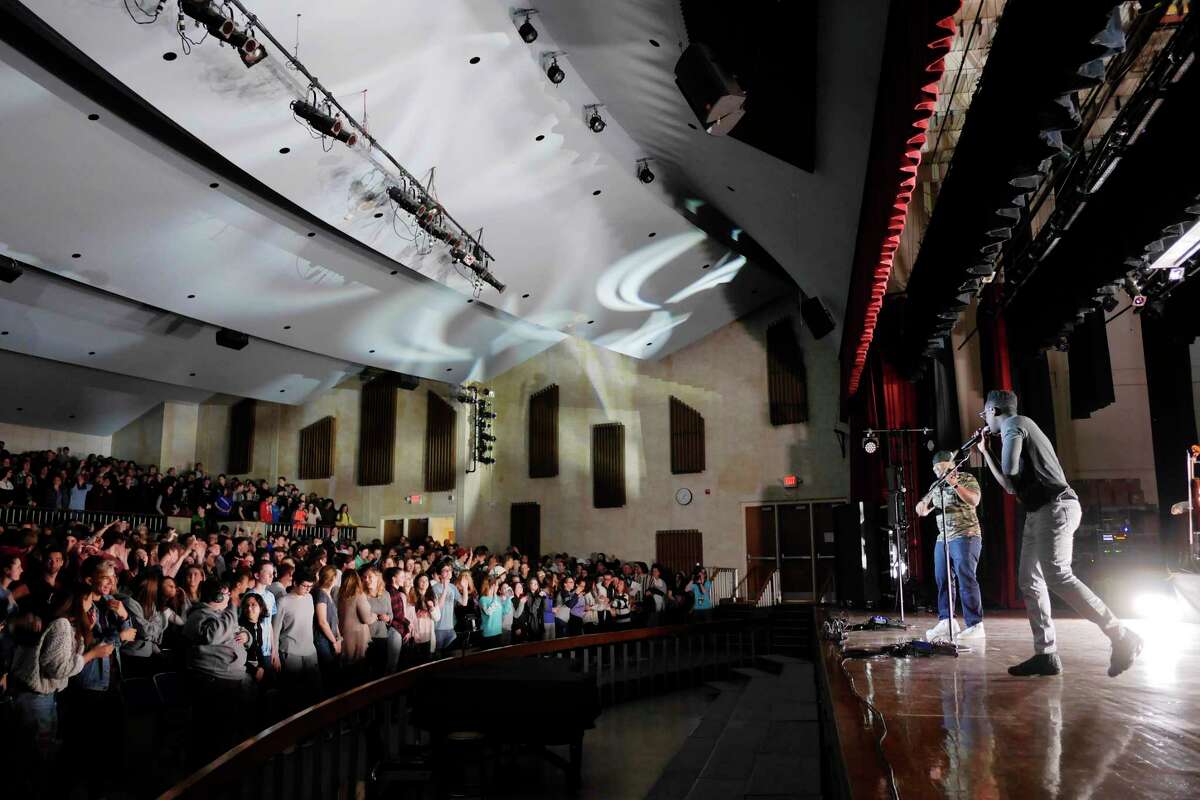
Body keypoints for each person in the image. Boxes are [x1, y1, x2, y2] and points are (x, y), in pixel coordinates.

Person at [975, 389, 1142, 677]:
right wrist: (985, 452)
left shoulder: (1015, 425)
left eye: (985, 414)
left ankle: (1122, 635)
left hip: (1056, 508)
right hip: (1038, 511)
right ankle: (1046, 654)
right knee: (1030, 580)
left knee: (1057, 575)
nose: (985, 420)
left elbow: (1009, 466)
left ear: (994, 411)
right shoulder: (1014, 429)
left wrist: (999, 443)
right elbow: (1010, 486)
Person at [915, 449, 985, 642]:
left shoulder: (966, 478)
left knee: (966, 578)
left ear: (952, 465)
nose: (939, 473)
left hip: (966, 535)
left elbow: (974, 500)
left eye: (943, 469)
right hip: (943, 537)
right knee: (942, 578)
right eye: (936, 470)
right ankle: (947, 620)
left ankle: (975, 624)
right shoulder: (935, 485)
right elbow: (923, 506)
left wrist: (955, 484)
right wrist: (921, 507)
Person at [273, 567, 321, 702]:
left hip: (310, 649)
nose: (308, 589)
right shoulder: (283, 601)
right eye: (305, 586)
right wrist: (275, 654)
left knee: (315, 689)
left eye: (310, 586)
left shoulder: (309, 597)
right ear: (295, 583)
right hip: (290, 650)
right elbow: (275, 630)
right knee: (293, 691)